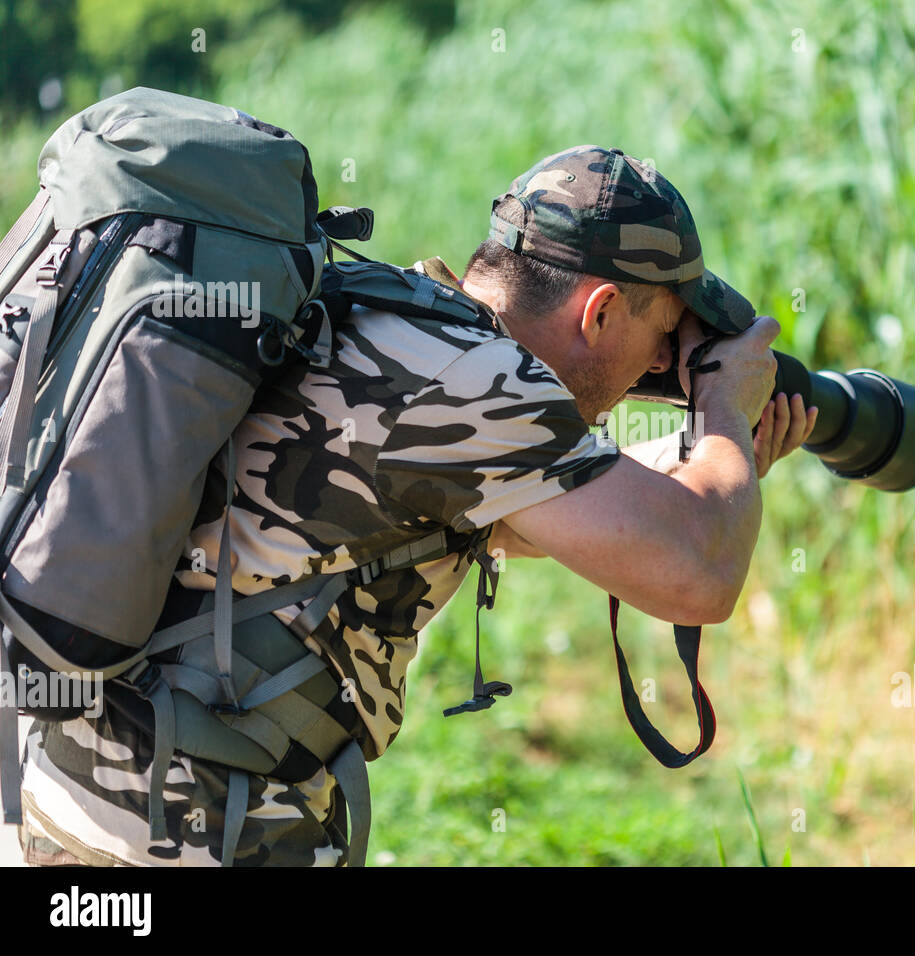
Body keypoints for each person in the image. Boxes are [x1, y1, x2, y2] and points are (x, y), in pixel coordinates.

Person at [14, 145, 817, 866]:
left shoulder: (394, 319)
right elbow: (699, 574)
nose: (660, 370)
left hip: (65, 789)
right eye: (663, 339)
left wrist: (720, 462)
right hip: (194, 831)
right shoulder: (490, 391)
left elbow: (562, 504)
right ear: (600, 311)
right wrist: (719, 410)